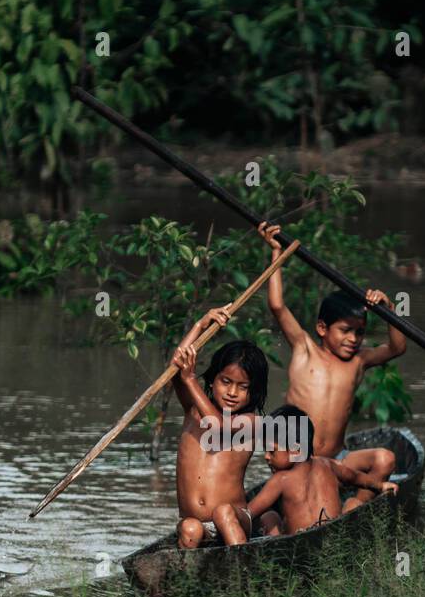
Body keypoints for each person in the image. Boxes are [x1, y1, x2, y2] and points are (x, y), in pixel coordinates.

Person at [258, 221, 406, 501]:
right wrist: (277, 253)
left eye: (360, 332)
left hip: (338, 461)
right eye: (346, 330)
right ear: (323, 328)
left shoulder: (358, 362)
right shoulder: (304, 349)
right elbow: (277, 305)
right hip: (297, 460)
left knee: (385, 458)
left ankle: (355, 506)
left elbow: (397, 347)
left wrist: (388, 310)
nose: (353, 339)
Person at [172, 306, 268, 549]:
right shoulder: (193, 412)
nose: (233, 393)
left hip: (234, 518)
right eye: (226, 382)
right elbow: (176, 367)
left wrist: (190, 379)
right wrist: (200, 325)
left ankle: (240, 575)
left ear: (253, 391)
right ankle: (188, 582)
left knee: (223, 512)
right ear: (212, 379)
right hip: (198, 524)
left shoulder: (249, 422)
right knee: (189, 528)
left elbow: (218, 427)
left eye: (242, 386)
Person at [249, 405, 397, 537]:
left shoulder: (280, 479)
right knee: (353, 502)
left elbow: (250, 513)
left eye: (271, 451)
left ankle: (275, 551)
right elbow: (355, 477)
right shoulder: (328, 464)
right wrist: (381, 486)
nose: (266, 457)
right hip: (333, 537)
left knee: (269, 516)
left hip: (299, 545)